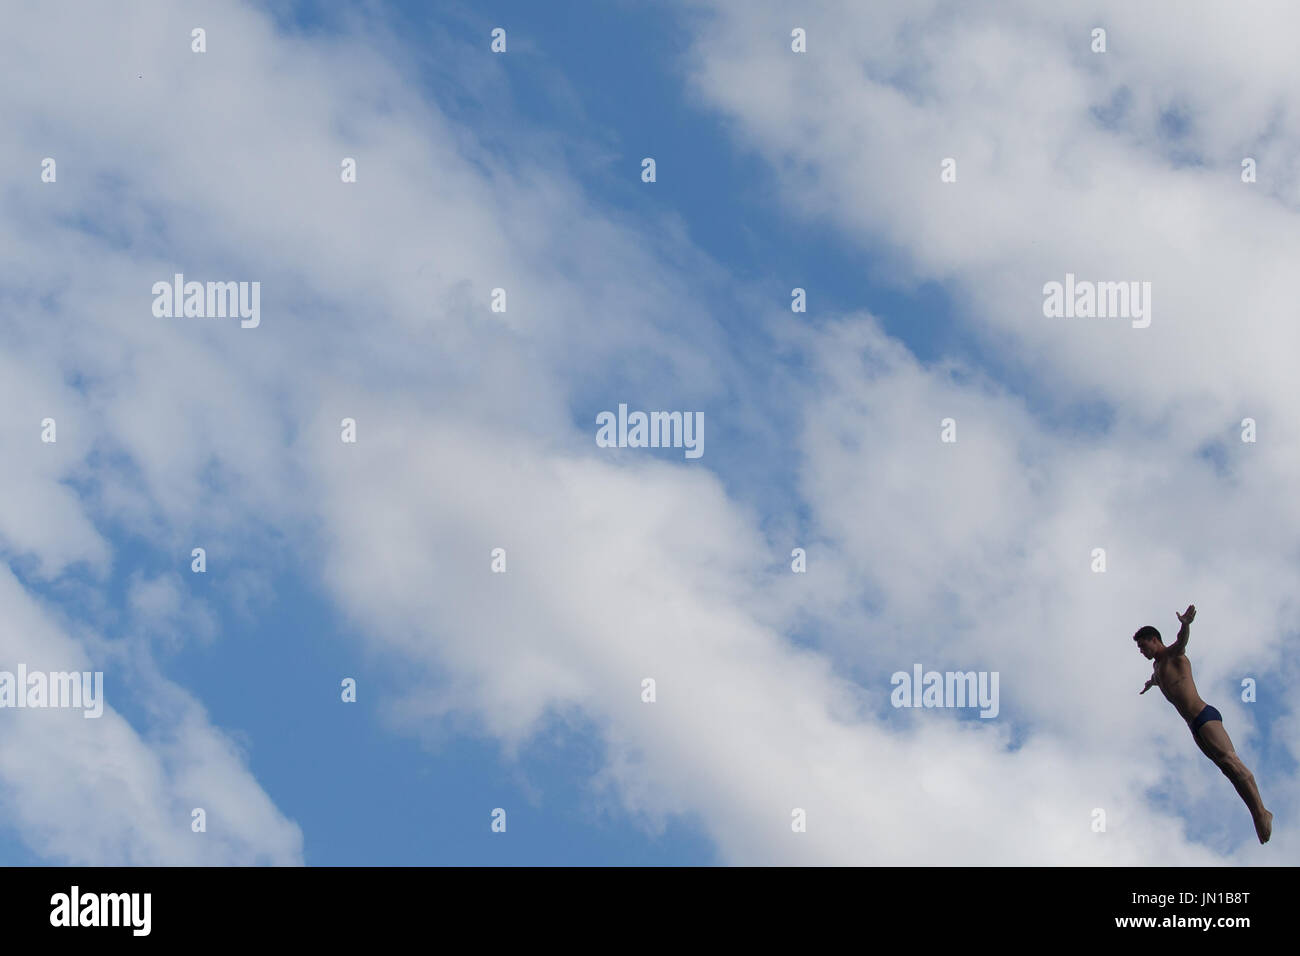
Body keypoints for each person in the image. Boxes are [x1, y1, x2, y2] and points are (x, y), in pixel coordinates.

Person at [1135, 605, 1271, 843]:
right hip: (1194, 726)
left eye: (1142, 645)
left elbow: (1181, 642)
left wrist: (1185, 624)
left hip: (1204, 716)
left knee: (1231, 760)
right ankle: (1256, 814)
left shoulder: (1172, 655)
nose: (1141, 651)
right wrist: (1151, 683)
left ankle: (1262, 812)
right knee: (1227, 770)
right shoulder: (1157, 669)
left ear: (1154, 640)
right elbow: (1158, 679)